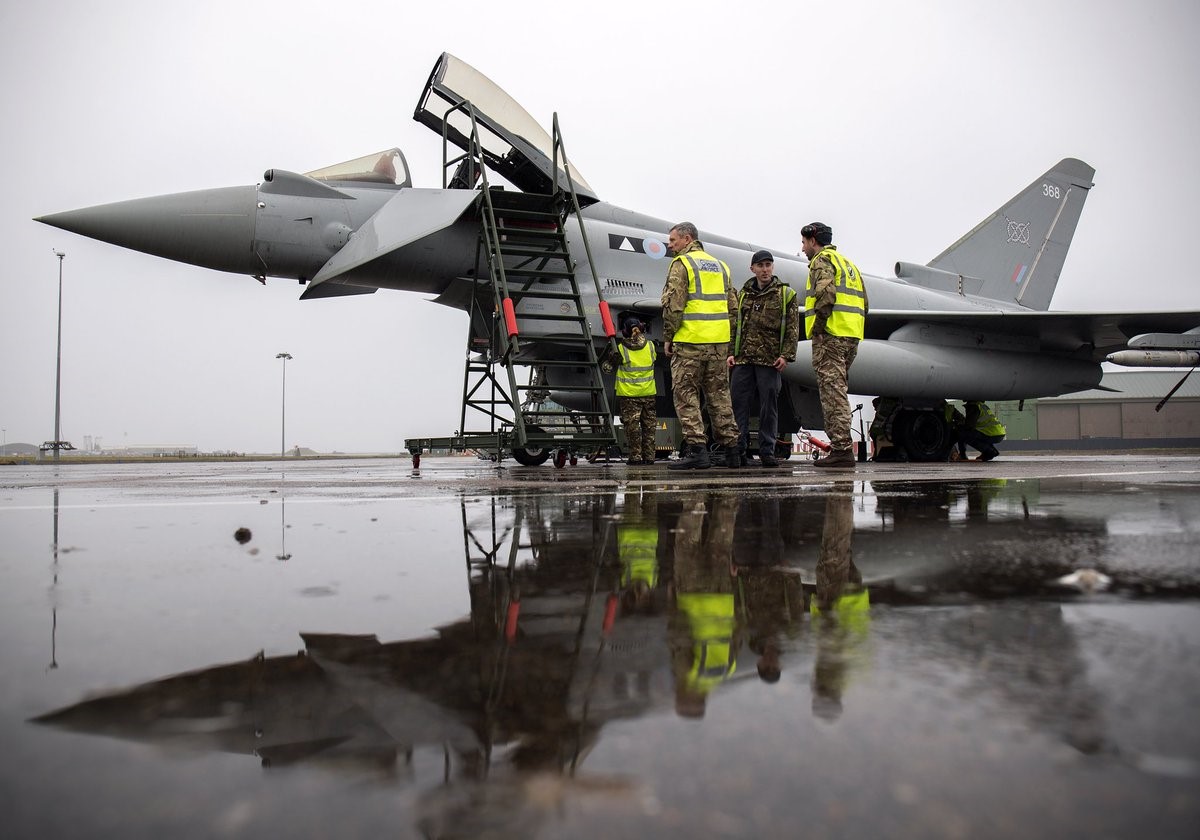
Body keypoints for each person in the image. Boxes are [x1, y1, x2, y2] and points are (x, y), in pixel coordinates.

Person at [661, 222, 740, 470]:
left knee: (686, 396)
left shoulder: (682, 264)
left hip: (690, 343)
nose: (670, 245)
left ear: (687, 239)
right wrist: (728, 342)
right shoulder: (721, 266)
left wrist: (669, 336)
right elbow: (733, 308)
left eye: (673, 240)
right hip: (718, 344)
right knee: (720, 396)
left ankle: (697, 451)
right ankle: (732, 452)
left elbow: (673, 305)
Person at [801, 222, 868, 469]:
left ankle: (841, 449)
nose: (803, 248)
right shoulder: (848, 264)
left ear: (813, 240)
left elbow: (825, 295)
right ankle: (841, 447)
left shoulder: (821, 261)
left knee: (832, 394)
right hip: (851, 335)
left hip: (831, 336)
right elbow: (865, 302)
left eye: (804, 243)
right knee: (839, 391)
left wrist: (818, 329)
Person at [728, 250, 800, 468]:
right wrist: (731, 352)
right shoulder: (743, 294)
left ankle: (767, 451)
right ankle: (738, 451)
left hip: (769, 360)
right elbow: (735, 325)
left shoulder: (785, 294)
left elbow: (793, 328)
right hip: (743, 359)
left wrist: (786, 355)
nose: (765, 269)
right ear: (753, 269)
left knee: (769, 408)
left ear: (773, 267)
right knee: (738, 405)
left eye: (768, 265)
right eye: (760, 266)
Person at [604, 318, 658, 465]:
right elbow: (653, 358)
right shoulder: (651, 346)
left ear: (625, 332)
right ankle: (649, 457)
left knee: (632, 428)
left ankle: (635, 457)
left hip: (629, 396)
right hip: (648, 394)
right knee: (649, 427)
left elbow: (609, 366)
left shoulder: (620, 349)